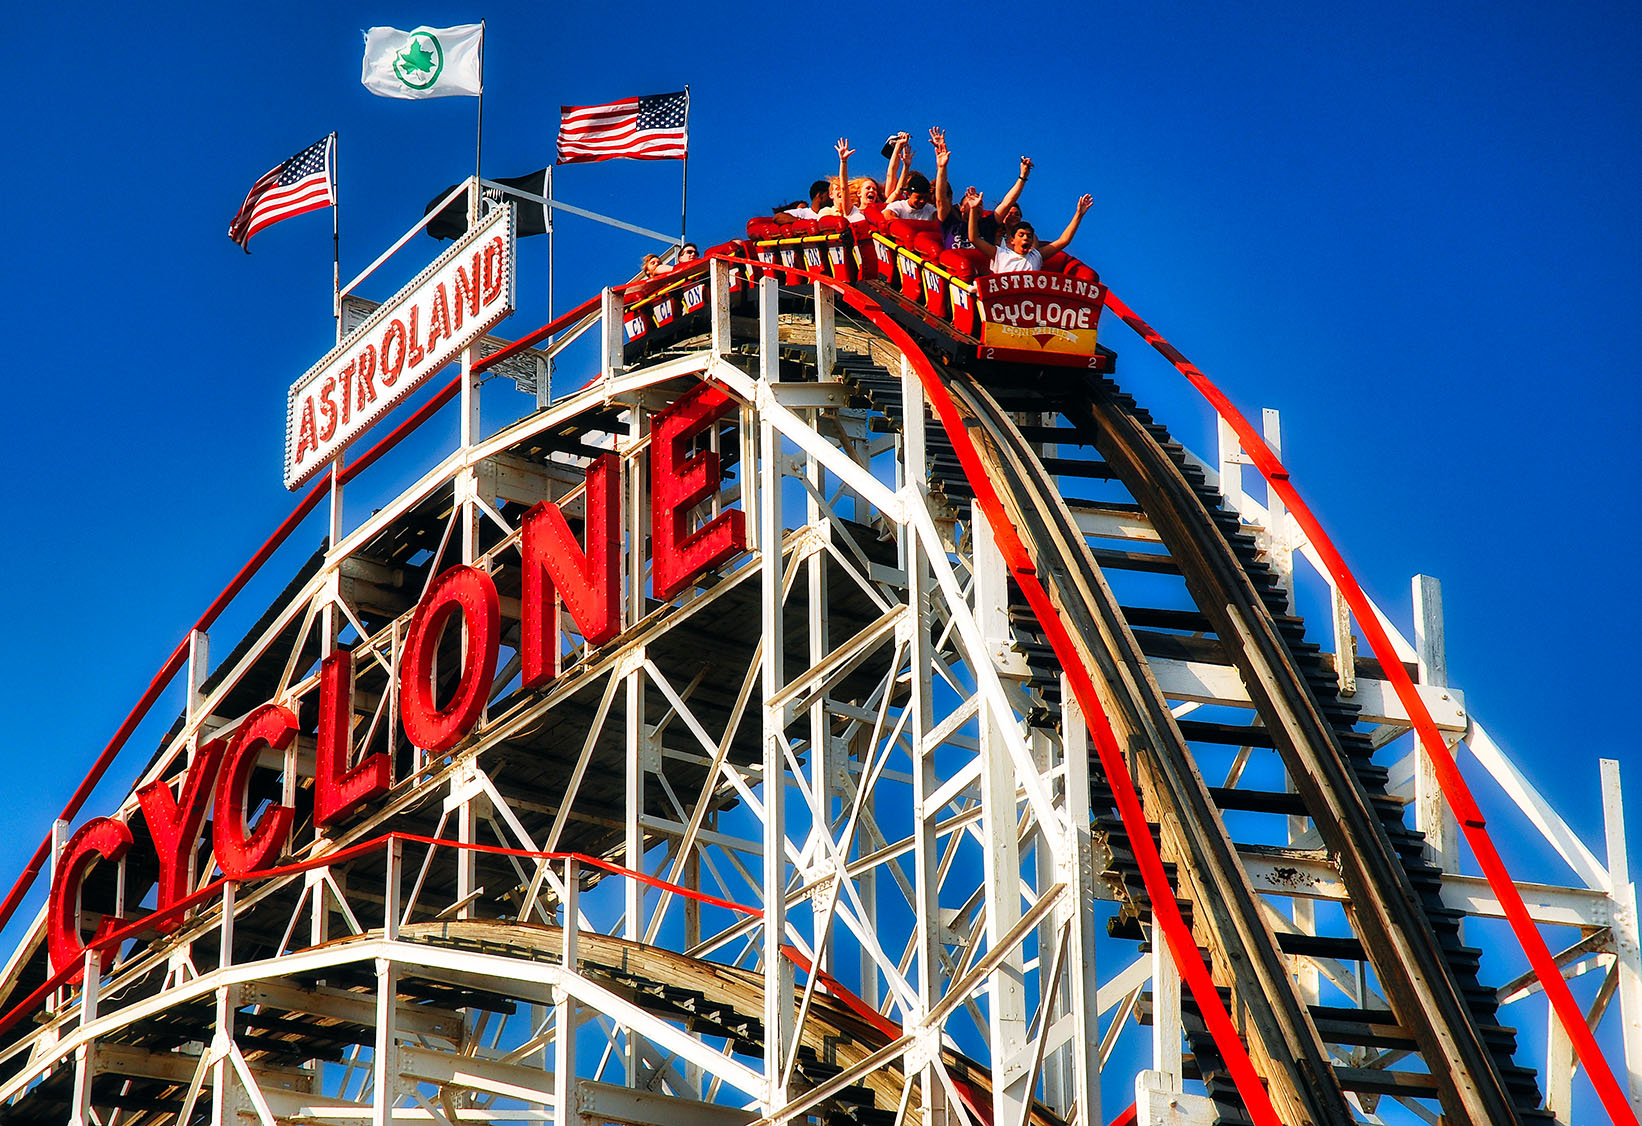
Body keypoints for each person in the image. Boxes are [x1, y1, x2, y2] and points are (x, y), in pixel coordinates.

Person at [964, 188, 1093, 272]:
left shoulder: (1036, 256)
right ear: (1012, 240)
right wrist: (974, 209)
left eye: (1029, 236)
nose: (1026, 238)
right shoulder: (1001, 254)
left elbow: (1063, 241)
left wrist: (1079, 215)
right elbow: (974, 238)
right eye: (1022, 235)